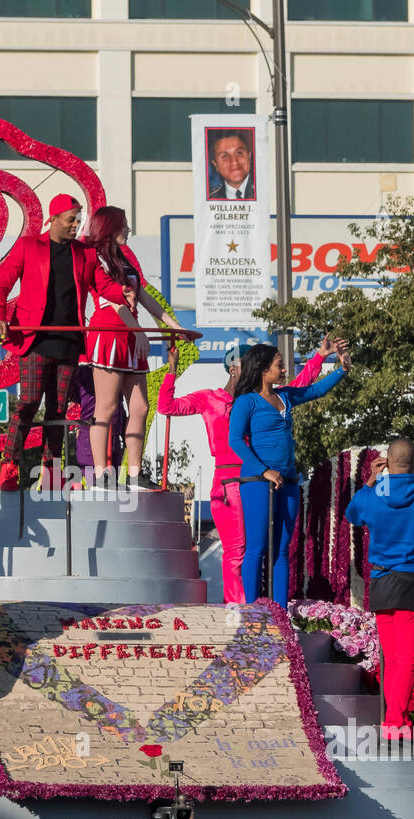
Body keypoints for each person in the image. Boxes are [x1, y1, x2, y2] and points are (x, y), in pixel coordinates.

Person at [158, 336, 345, 604]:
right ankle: (241, 610)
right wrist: (171, 370)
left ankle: (267, 609)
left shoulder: (264, 397)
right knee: (240, 549)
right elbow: (167, 407)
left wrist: (319, 357)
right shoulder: (211, 399)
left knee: (273, 548)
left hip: (264, 477)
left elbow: (301, 389)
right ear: (234, 368)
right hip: (230, 480)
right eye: (246, 363)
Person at [0, 193, 130, 492]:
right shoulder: (28, 246)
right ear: (52, 219)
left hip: (68, 341)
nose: (76, 226)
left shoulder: (85, 254)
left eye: (78, 220)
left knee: (58, 409)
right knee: (27, 401)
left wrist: (127, 291)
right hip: (34, 338)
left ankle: (51, 472)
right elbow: (0, 283)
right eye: (70, 220)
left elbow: (102, 285)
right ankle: (9, 465)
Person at [344, 437, 414, 737]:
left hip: (381, 585)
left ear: (387, 463)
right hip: (413, 586)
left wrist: (370, 481)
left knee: (392, 659)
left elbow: (352, 514)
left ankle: (393, 719)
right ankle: (394, 721)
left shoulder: (375, 492)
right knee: (409, 660)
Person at [231, 343, 349, 607]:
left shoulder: (285, 395)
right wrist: (265, 470)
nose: (284, 370)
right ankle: (252, 611)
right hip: (257, 481)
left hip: (289, 480)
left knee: (282, 549)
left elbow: (315, 389)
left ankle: (280, 612)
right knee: (257, 548)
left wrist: (342, 369)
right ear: (262, 370)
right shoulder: (246, 402)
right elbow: (236, 441)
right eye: (279, 365)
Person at [78, 206, 184, 489]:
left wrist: (173, 326)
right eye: (124, 225)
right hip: (110, 333)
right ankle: (101, 474)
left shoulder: (123, 259)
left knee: (140, 406)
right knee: (107, 406)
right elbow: (112, 301)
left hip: (131, 335)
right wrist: (139, 332)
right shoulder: (95, 258)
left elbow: (143, 297)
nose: (128, 230)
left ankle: (135, 474)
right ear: (110, 228)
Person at [206, 129, 255, 200]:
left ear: (249, 156)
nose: (234, 162)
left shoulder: (264, 191)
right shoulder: (210, 199)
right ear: (216, 165)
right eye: (225, 156)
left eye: (239, 153)